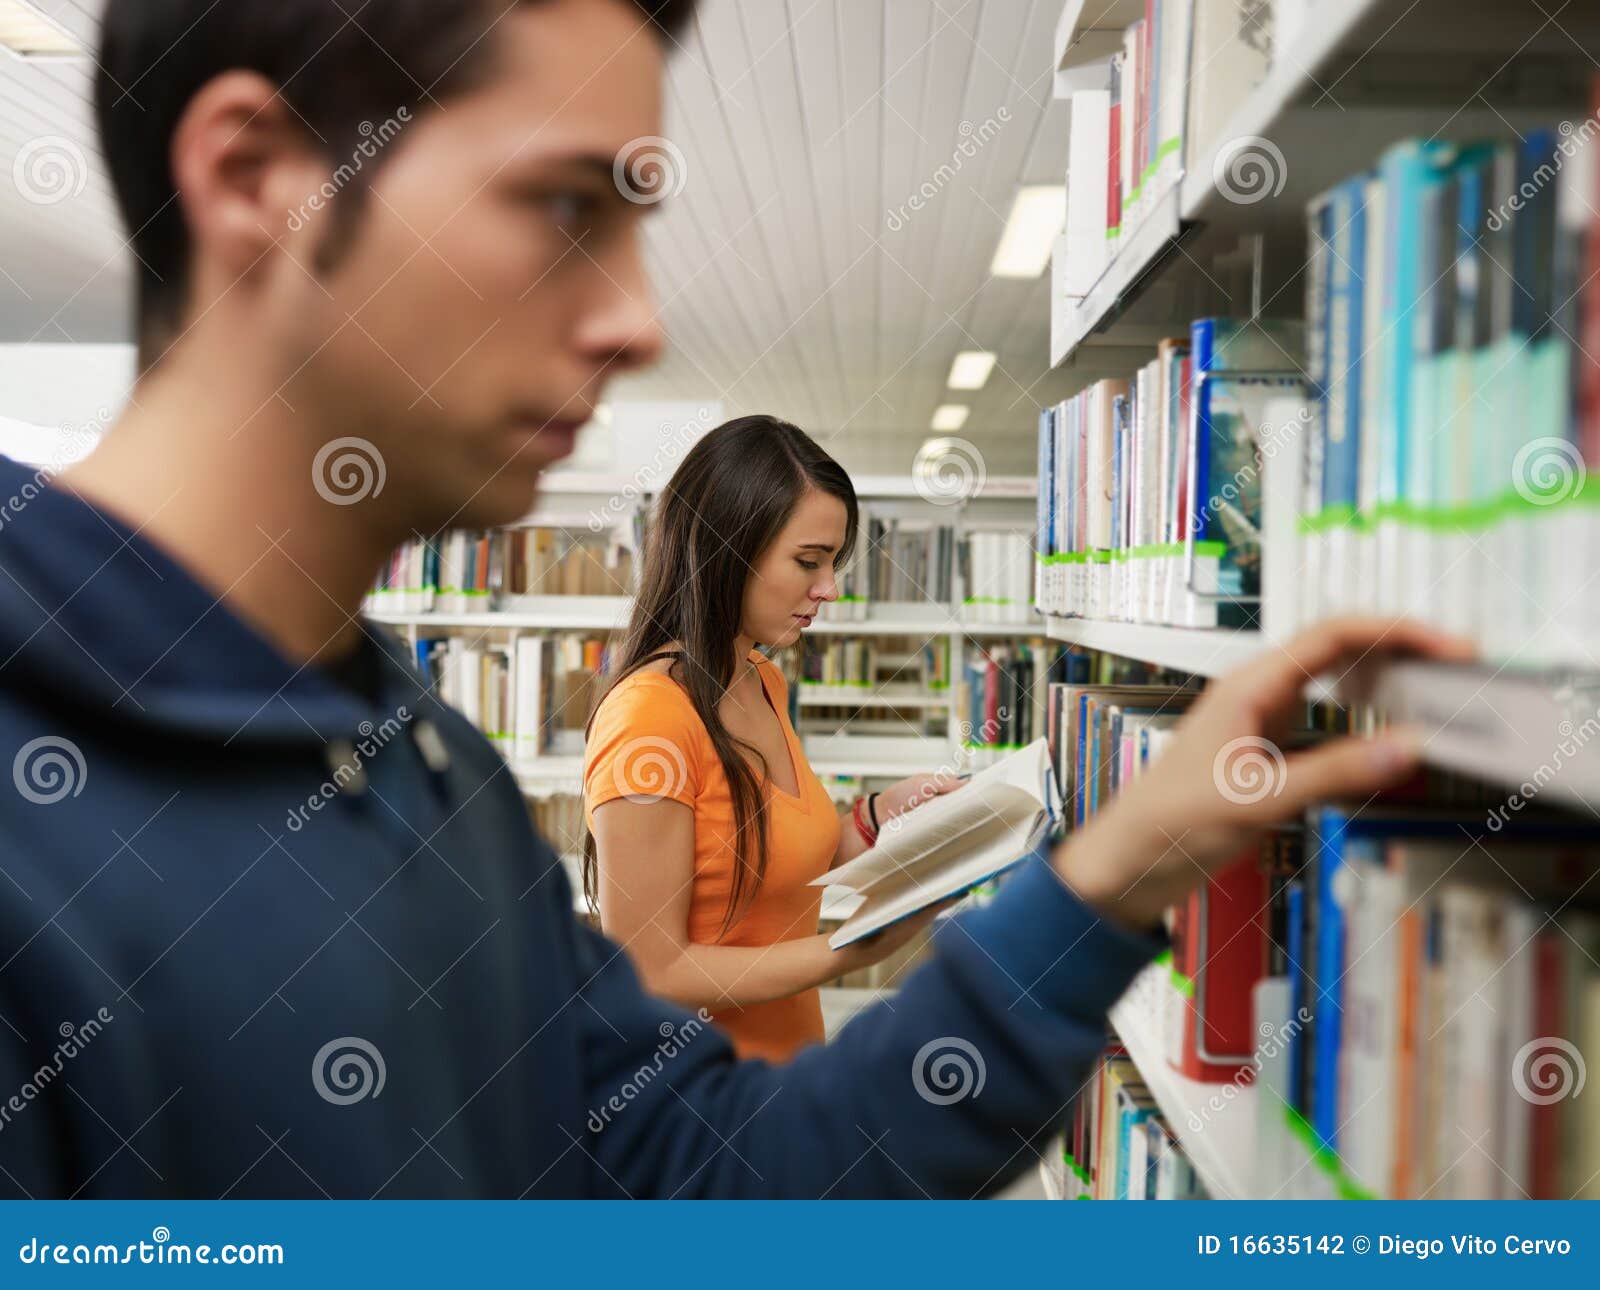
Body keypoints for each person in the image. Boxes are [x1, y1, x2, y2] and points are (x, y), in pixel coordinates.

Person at [0, 0, 1471, 1199]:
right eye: (563, 205)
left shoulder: (426, 770)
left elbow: (709, 1170)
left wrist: (1117, 879)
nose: (636, 318)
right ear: (258, 179)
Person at [583, 414, 960, 1063]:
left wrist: (878, 816)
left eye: (833, 563)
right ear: (724, 546)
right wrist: (849, 949)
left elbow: (779, 871)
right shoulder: (650, 719)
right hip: (694, 1110)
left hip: (781, 1081)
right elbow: (650, 971)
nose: (829, 589)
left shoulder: (760, 679)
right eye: (808, 561)